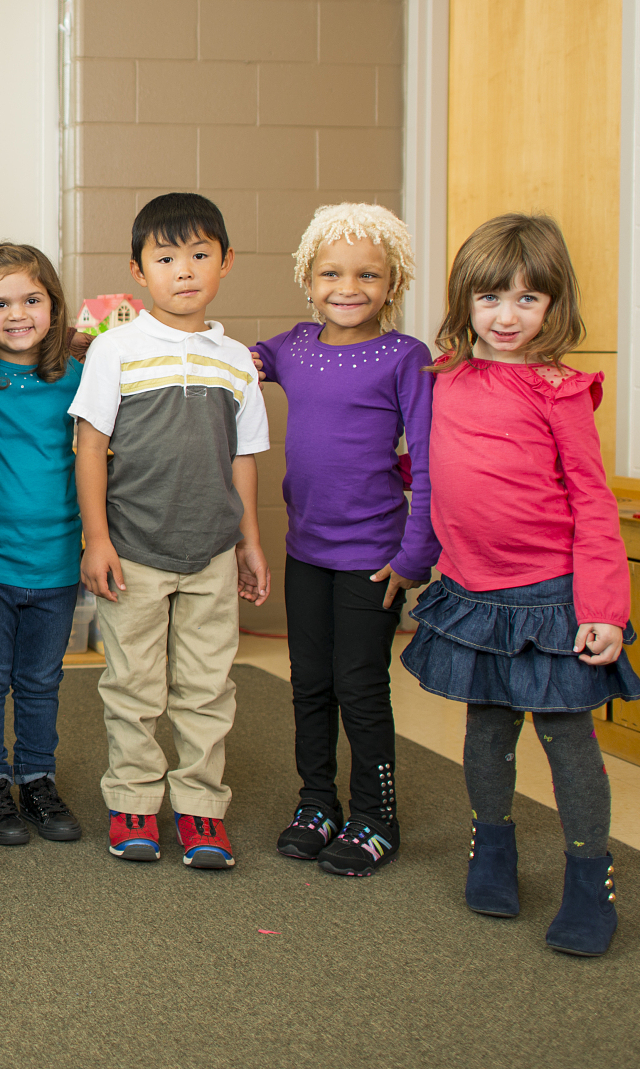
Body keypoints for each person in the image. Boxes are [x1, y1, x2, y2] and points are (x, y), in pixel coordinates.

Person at [400, 213, 640, 958]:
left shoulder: (560, 390)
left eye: (528, 299)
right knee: (486, 732)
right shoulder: (443, 378)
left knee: (567, 740)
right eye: (491, 299)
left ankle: (587, 875)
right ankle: (494, 849)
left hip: (551, 597)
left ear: (554, 305)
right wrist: (417, 560)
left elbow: (593, 501)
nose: (507, 317)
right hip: (473, 595)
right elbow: (430, 478)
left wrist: (604, 605)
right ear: (464, 302)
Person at [70, 192, 270, 871]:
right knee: (134, 682)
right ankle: (131, 797)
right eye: (165, 257)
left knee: (209, 684)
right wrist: (97, 539)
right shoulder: (116, 350)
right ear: (138, 269)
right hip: (135, 550)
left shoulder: (236, 359)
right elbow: (90, 446)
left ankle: (201, 808)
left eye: (198, 255)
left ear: (225, 261)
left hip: (212, 550)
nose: (183, 270)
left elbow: (242, 458)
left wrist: (249, 540)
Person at [252, 204, 436, 878]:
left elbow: (430, 461)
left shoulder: (406, 358)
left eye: (368, 273)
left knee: (360, 687)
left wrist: (414, 557)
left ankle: (375, 815)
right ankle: (317, 803)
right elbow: (257, 357)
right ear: (308, 278)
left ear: (394, 283)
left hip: (375, 558)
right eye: (331, 272)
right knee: (310, 684)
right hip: (308, 551)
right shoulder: (295, 347)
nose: (348, 286)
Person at [0, 244, 86, 848]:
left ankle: (37, 775)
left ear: (54, 306)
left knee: (40, 679)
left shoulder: (79, 378)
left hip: (58, 559)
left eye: (32, 300)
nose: (17, 314)